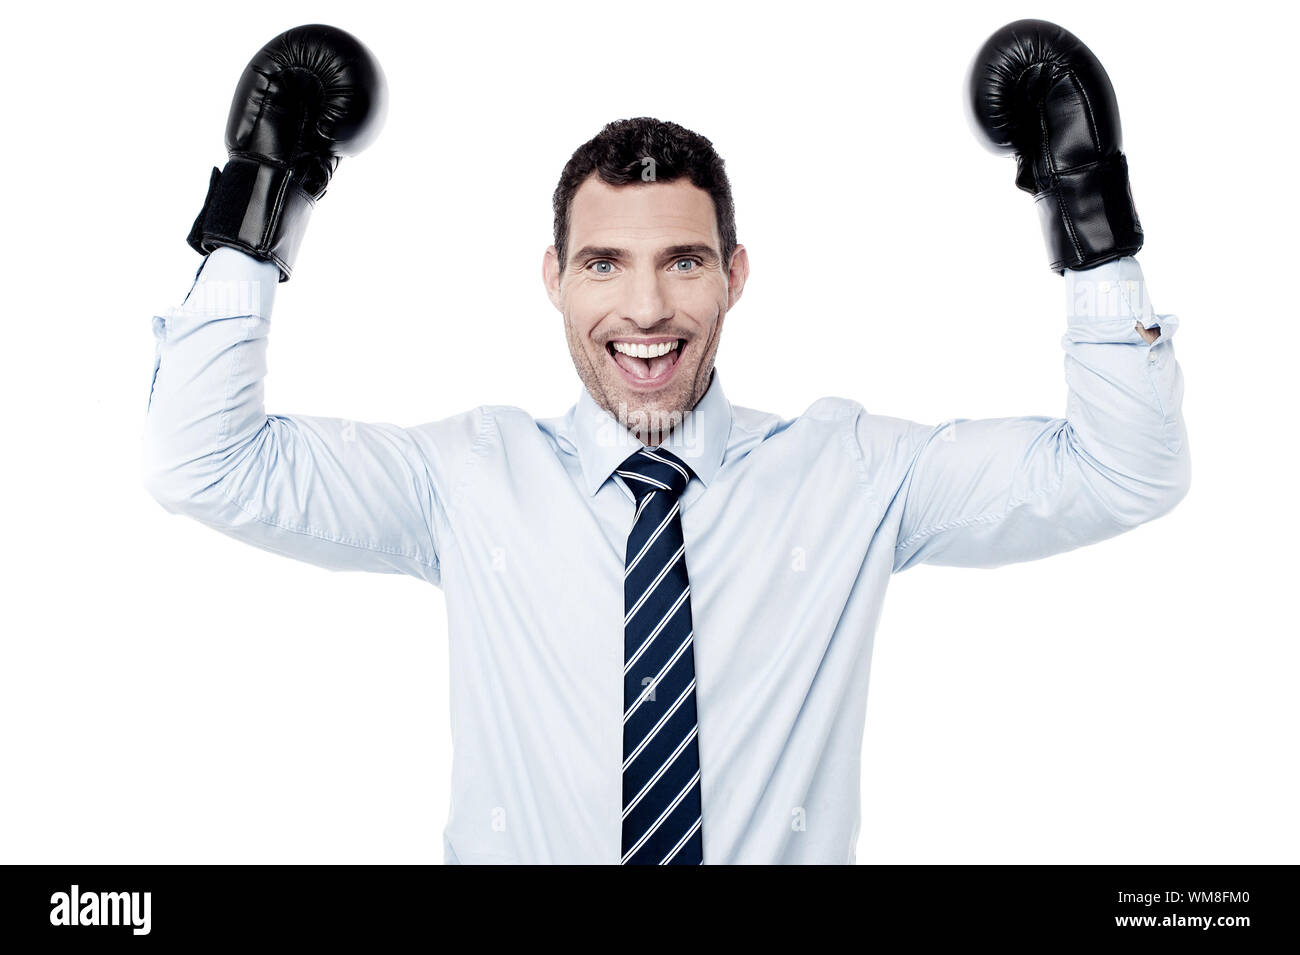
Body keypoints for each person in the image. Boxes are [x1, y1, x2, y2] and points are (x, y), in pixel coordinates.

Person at [142, 21, 1189, 864]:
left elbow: (1123, 470)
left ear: (735, 274)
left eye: (683, 262)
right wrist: (262, 197)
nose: (645, 308)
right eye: (603, 264)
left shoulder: (854, 473)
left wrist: (1083, 200)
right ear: (552, 278)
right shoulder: (459, 481)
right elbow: (203, 461)